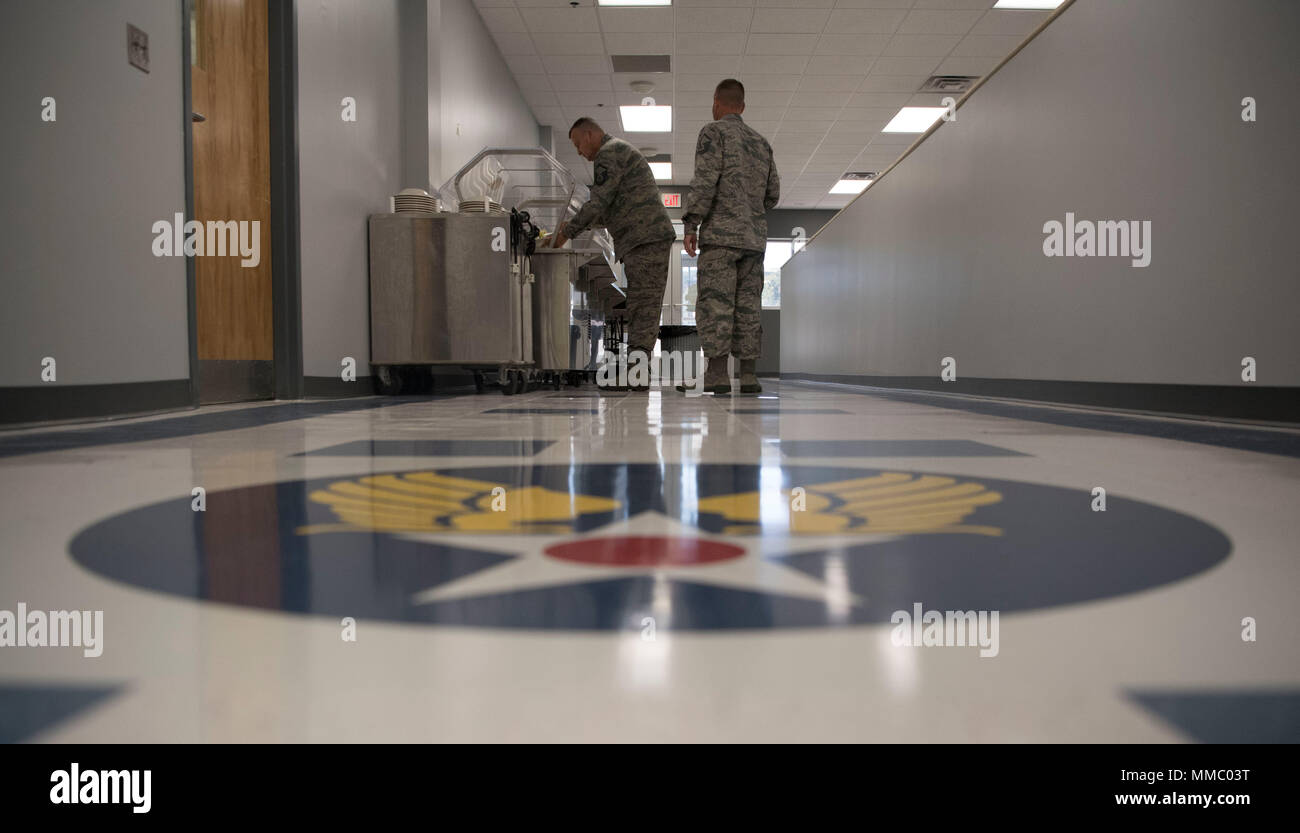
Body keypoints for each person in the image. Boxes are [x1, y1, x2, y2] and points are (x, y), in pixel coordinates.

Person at [550, 118, 675, 392]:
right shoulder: (617, 151)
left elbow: (599, 202)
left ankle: (638, 372)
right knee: (644, 306)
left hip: (645, 239)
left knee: (643, 307)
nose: (580, 152)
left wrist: (566, 233)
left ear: (589, 133)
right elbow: (610, 209)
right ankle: (637, 371)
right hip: (644, 238)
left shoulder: (608, 153)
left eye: (578, 143)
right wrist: (573, 226)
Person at [680, 79, 780, 395]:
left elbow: (705, 181)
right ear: (743, 106)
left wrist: (691, 224)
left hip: (721, 240)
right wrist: (749, 210)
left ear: (716, 102)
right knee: (748, 306)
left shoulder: (713, 132)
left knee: (716, 304)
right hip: (753, 242)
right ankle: (749, 377)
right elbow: (773, 194)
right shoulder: (762, 143)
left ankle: (718, 376)